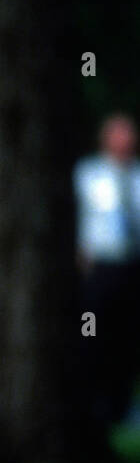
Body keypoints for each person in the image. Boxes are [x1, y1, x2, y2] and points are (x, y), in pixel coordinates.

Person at [74, 113, 140, 427]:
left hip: (132, 266)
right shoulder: (87, 174)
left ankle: (119, 406)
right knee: (94, 336)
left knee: (127, 339)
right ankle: (92, 403)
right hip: (100, 267)